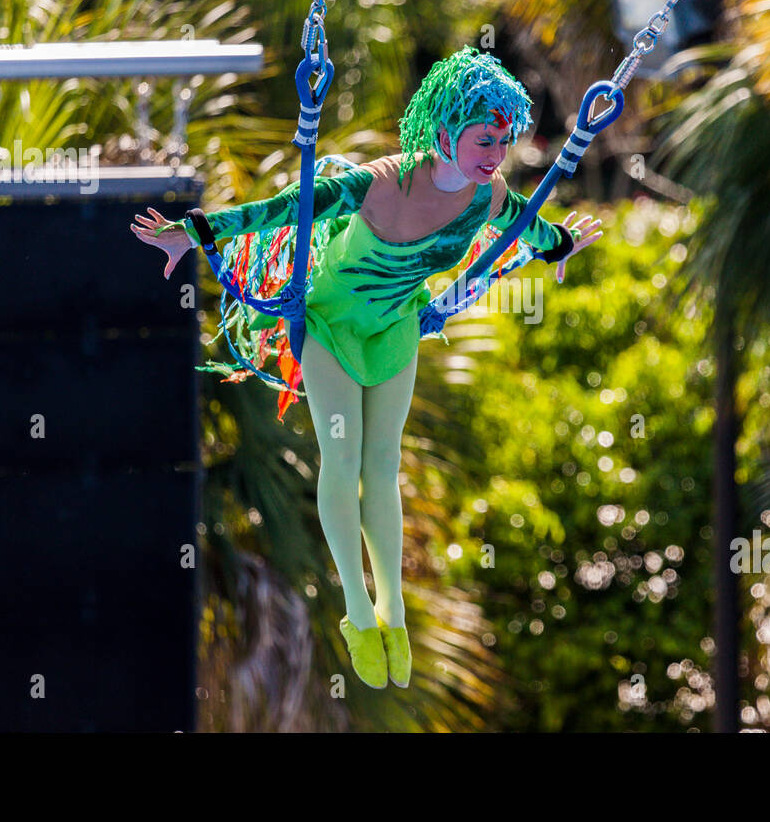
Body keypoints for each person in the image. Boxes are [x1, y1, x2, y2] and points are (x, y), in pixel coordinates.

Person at [131, 46, 602, 689]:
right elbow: (278, 208)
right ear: (442, 131)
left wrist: (562, 245)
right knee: (344, 456)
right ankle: (357, 608)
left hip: (394, 328)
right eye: (483, 138)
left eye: (504, 139)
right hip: (329, 323)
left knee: (383, 466)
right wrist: (196, 231)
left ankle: (393, 611)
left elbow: (530, 227)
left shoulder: (487, 196)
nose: (496, 153)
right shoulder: (376, 183)